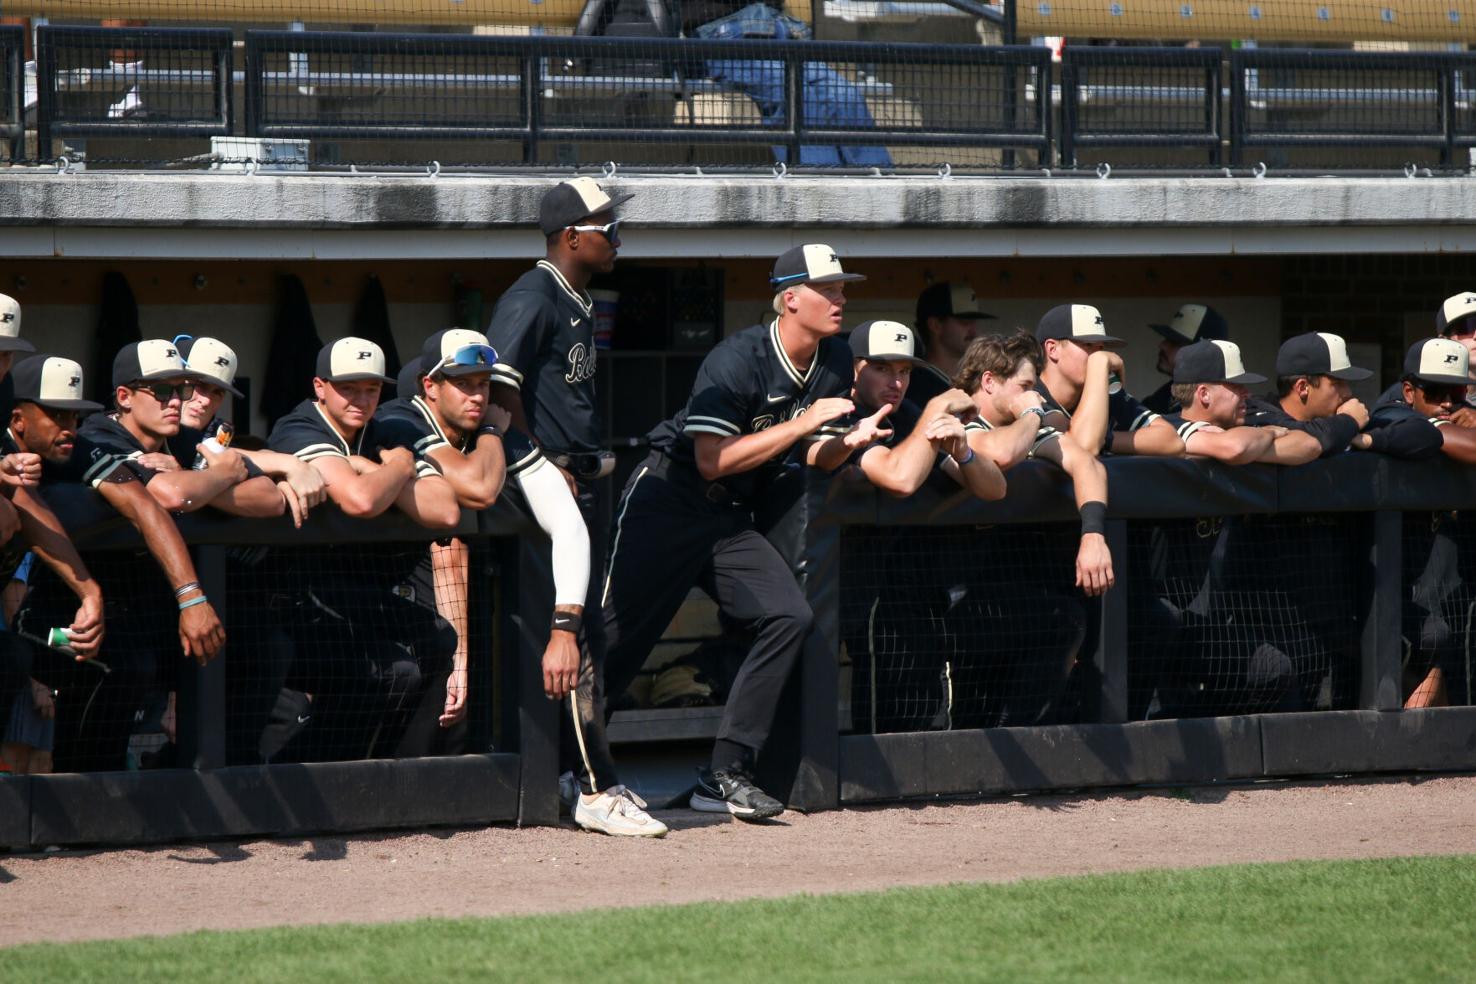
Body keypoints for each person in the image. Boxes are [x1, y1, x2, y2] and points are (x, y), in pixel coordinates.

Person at [602, 244, 884, 820]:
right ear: (789, 298)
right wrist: (807, 424)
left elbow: (815, 455)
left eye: (842, 288)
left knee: (789, 616)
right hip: (670, 500)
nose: (840, 298)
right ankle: (571, 767)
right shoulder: (736, 358)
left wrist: (843, 444)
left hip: (729, 516)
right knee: (616, 640)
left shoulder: (832, 360)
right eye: (827, 289)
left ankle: (725, 772)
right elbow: (711, 458)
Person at [382, 331, 667, 836]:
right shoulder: (403, 419)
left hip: (467, 599)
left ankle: (589, 788)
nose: (477, 396)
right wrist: (494, 431)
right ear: (430, 386)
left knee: (577, 638)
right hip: (378, 594)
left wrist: (563, 628)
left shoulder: (498, 431)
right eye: (462, 383)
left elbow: (568, 521)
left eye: (484, 385)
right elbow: (477, 485)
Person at [486, 178, 634, 811]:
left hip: (580, 478)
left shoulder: (574, 297)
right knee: (569, 636)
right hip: (542, 487)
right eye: (608, 228)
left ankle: (579, 775)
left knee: (593, 632)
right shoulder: (534, 293)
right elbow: (496, 390)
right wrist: (538, 461)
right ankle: (592, 786)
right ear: (572, 236)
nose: (618, 239)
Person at [8, 354, 223, 772]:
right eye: (56, 416)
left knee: (118, 660)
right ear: (18, 419)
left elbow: (146, 507)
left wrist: (191, 596)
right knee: (23, 658)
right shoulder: (8, 454)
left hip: (66, 632)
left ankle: (88, 792)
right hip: (31, 626)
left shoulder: (80, 449)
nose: (69, 428)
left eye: (74, 416)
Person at [266, 337, 461, 761]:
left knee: (437, 638)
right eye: (348, 387)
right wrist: (399, 468)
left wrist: (380, 470)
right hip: (282, 600)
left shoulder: (388, 431)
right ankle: (310, 771)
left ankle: (395, 771)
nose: (361, 399)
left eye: (370, 388)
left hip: (343, 595)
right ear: (320, 387)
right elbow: (361, 501)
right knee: (389, 672)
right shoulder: (300, 426)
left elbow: (445, 510)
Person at [954, 329, 1114, 597]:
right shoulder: (958, 417)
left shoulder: (1023, 428)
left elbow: (1088, 464)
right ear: (989, 382)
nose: (1036, 396)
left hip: (990, 580)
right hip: (932, 586)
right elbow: (1000, 453)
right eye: (1026, 387)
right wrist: (1031, 414)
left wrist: (1093, 536)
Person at [1370, 338, 1476, 709]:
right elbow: (1448, 439)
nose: (1447, 401)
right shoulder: (1389, 411)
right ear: (1410, 390)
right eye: (1435, 391)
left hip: (1440, 574)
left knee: (1446, 649)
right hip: (1386, 580)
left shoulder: (1461, 412)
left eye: (1457, 390)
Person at [78, 340, 284, 520]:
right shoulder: (99, 437)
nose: (176, 401)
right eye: (162, 391)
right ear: (124, 397)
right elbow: (173, 495)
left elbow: (272, 499)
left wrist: (188, 478)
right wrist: (223, 475)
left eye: (181, 390)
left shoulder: (183, 436)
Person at [682, 0, 892, 168]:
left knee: (843, 94)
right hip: (723, 41)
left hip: (779, 33)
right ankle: (818, 184)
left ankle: (879, 183)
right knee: (788, 89)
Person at [173, 334, 328, 527]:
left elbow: (272, 500)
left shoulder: (216, 433)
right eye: (198, 386)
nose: (205, 401)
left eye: (217, 392)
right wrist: (288, 464)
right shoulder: (144, 426)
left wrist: (282, 471)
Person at [841, 319, 1004, 500]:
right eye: (882, 369)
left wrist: (964, 453)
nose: (897, 384)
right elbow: (900, 480)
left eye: (904, 371)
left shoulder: (907, 413)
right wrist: (935, 407)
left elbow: (996, 491)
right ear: (853, 370)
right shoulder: (841, 414)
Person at [1033, 304, 1184, 458]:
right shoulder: (1029, 397)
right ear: (1052, 349)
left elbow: (1173, 441)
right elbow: (1085, 447)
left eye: (1101, 348)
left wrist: (1105, 438)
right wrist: (1098, 364)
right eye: (1088, 345)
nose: (1099, 355)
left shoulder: (1105, 392)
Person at [1161, 340, 1322, 466]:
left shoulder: (1240, 426)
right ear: (1204, 394)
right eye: (1236, 386)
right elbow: (1236, 448)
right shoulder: (1170, 428)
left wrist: (1251, 450)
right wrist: (1269, 433)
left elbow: (1310, 444)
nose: (1247, 393)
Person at [1244, 333, 1382, 458]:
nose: (1348, 392)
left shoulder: (1340, 420)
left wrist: (1367, 437)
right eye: (1337, 383)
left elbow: (1400, 431)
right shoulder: (1255, 413)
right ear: (1303, 387)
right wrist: (1350, 421)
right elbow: (1306, 436)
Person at [908, 283, 996, 407]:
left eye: (974, 322)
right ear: (935, 325)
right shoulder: (914, 384)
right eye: (965, 322)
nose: (974, 331)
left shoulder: (980, 379)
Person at [1141, 303, 1230, 416]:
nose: (1162, 345)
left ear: (1203, 353)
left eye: (1174, 342)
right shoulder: (1158, 401)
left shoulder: (1227, 407)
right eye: (1166, 339)